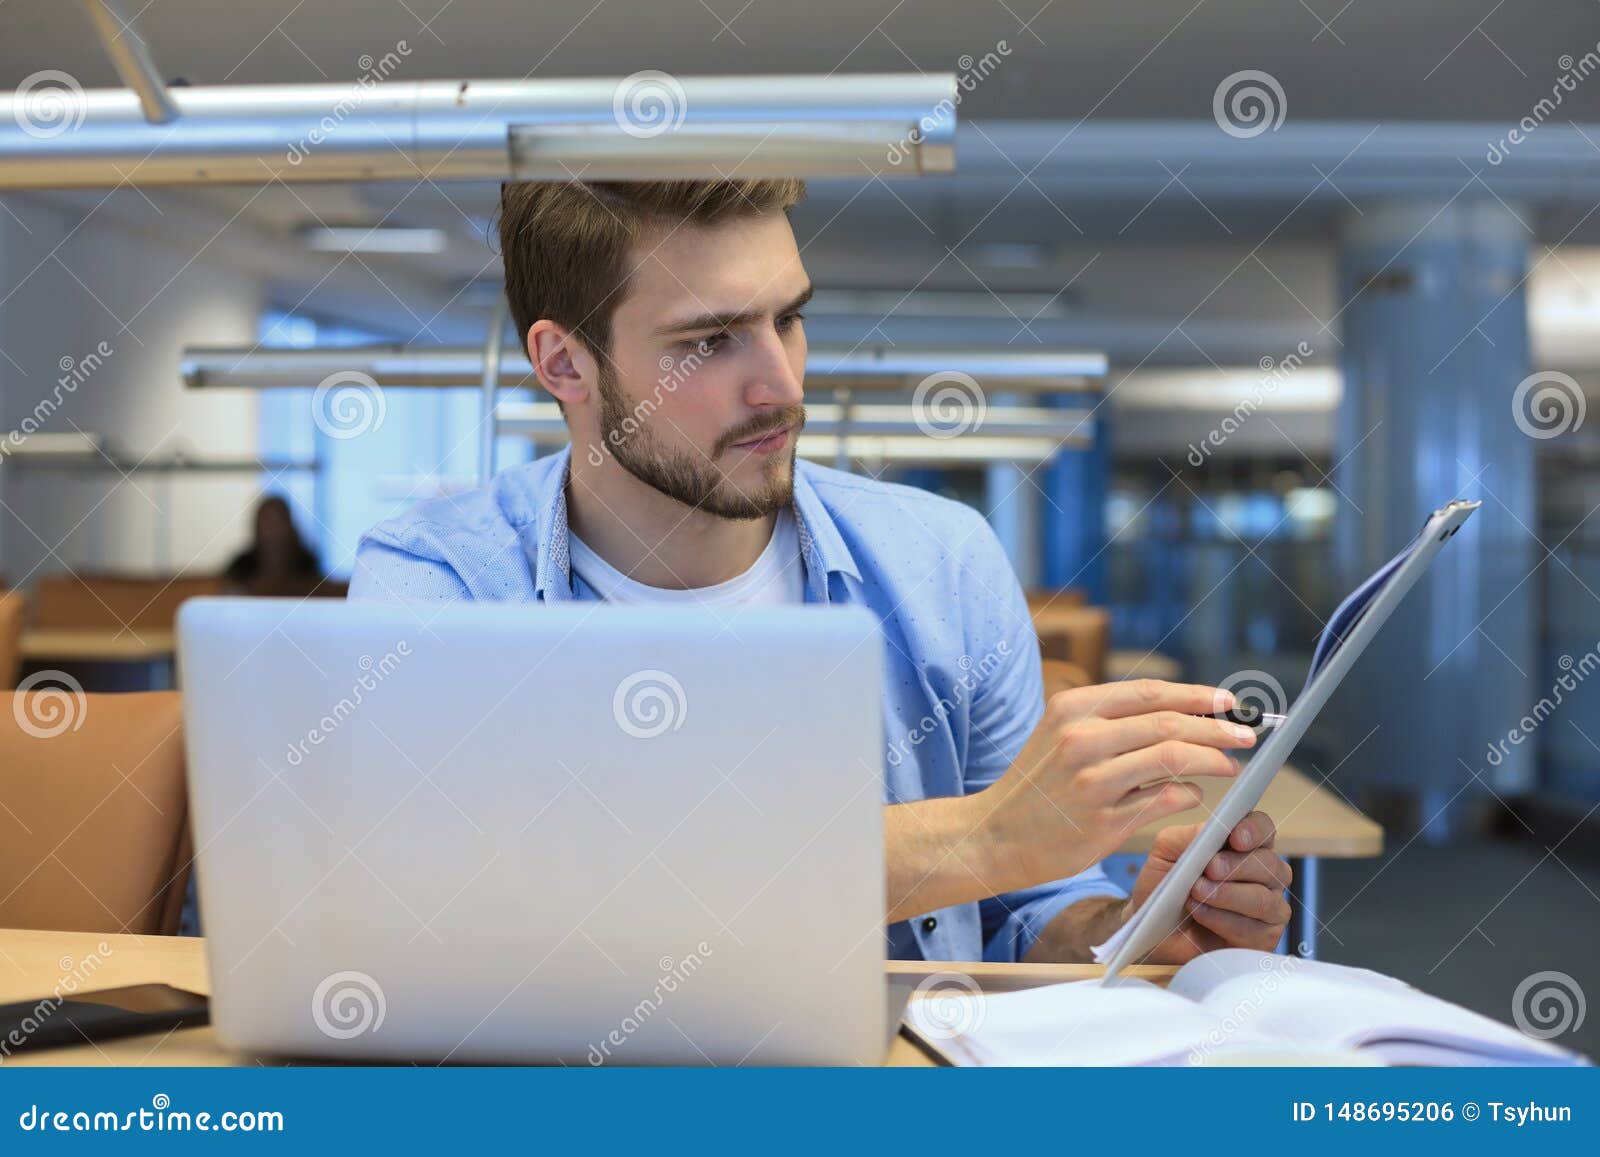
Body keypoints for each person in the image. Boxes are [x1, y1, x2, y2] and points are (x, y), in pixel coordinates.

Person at [349, 179, 1292, 964]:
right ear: (565, 364)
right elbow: (454, 890)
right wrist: (982, 836)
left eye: (789, 319)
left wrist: (1132, 932)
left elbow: (1026, 914)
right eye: (709, 340)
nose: (782, 385)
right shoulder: (437, 582)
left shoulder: (941, 563)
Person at [222, 495, 326, 598]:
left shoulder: (306, 563)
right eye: (266, 521)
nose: (271, 529)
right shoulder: (242, 565)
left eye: (276, 521)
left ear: (289, 524)